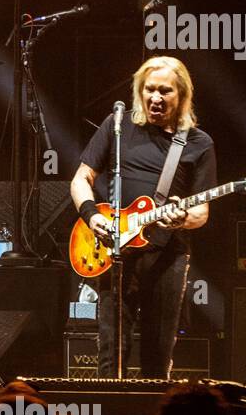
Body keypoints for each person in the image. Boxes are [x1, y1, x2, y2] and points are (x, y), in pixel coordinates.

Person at [69, 56, 216, 378]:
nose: (156, 98)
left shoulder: (197, 143)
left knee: (157, 356)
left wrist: (181, 219)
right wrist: (93, 217)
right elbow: (81, 179)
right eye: (150, 90)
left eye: (165, 91)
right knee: (110, 355)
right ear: (139, 91)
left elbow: (201, 212)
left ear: (181, 95)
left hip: (167, 255)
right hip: (116, 252)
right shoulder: (118, 126)